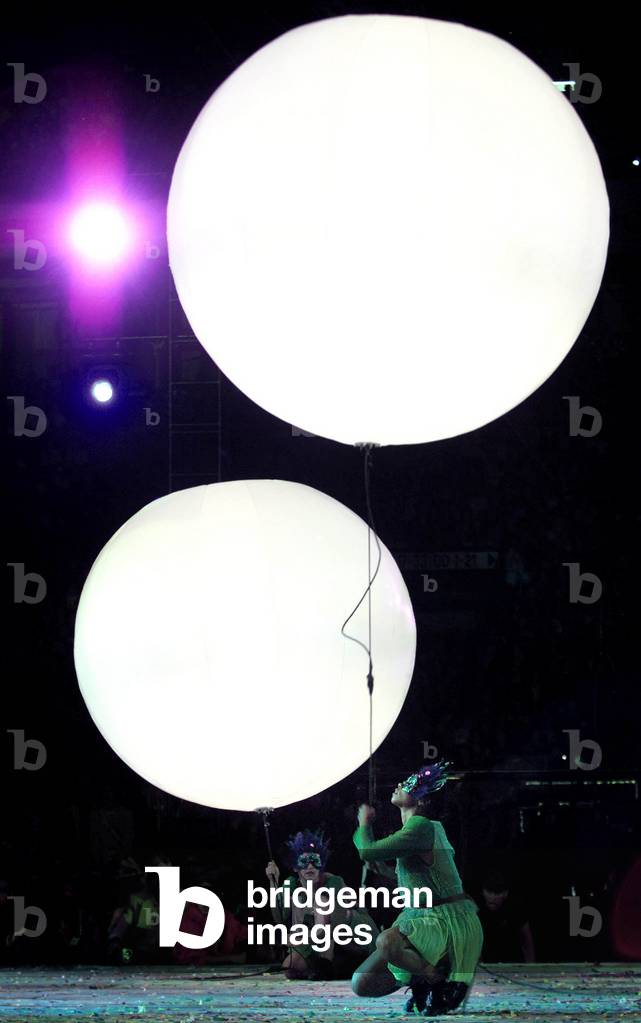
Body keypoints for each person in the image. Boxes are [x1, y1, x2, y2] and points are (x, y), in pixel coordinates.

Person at [351, 761, 483, 1017]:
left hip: (444, 921)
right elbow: (421, 878)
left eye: (409, 784)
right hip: (422, 918)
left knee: (386, 941)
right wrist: (386, 872)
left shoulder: (421, 826)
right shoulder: (417, 829)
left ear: (421, 801)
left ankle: (433, 976)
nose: (400, 785)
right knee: (362, 981)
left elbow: (367, 849)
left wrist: (364, 823)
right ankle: (425, 977)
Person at [265, 829, 378, 980]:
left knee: (321, 903)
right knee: (291, 968)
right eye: (304, 862)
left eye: (315, 862)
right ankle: (333, 966)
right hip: (323, 938)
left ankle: (328, 963)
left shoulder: (333, 882)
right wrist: (273, 882)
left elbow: (338, 924)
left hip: (353, 936)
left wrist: (303, 939)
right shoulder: (292, 885)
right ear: (295, 867)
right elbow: (280, 918)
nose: (310, 867)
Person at [477, 870, 535, 962]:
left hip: (514, 964)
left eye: (497, 893)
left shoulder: (515, 912)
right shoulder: (477, 914)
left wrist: (530, 967)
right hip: (487, 966)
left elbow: (527, 942)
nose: (492, 897)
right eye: (489, 891)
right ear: (482, 891)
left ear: (505, 893)